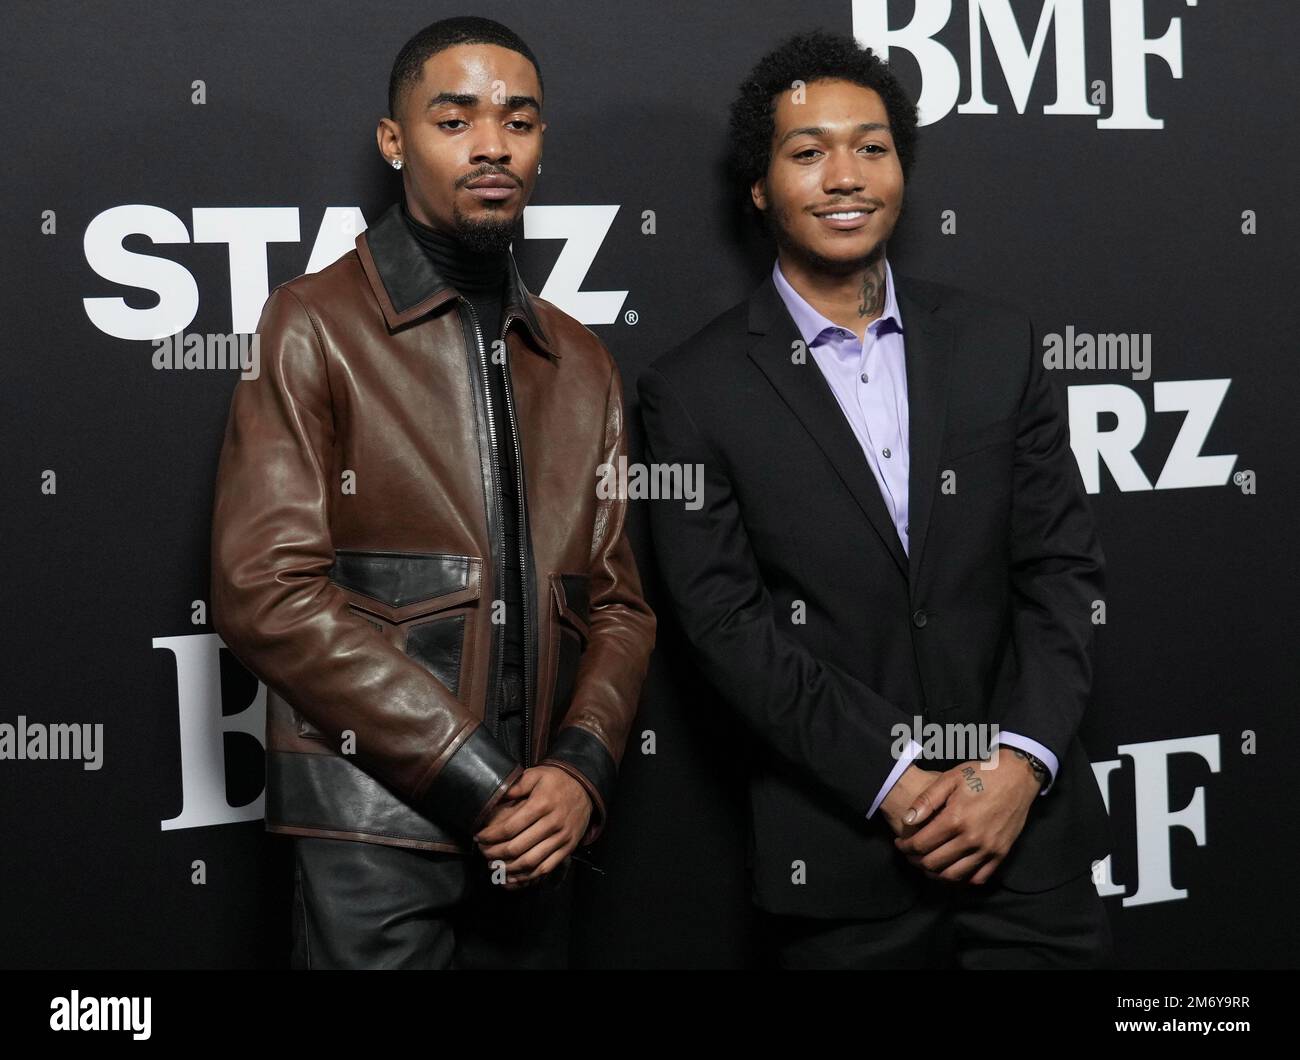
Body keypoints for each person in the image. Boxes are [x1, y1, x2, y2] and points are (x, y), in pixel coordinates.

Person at [638, 29, 1113, 969]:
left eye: (872, 146)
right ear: (761, 188)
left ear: (903, 167)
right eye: (808, 152)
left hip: (1030, 857)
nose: (845, 175)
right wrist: (894, 777)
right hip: (842, 867)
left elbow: (1061, 573)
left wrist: (1017, 765)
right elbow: (725, 625)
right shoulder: (691, 390)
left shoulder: (998, 342)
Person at [210, 16, 654, 969]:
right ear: (394, 140)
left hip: (541, 836)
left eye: (519, 121)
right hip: (374, 827)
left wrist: (579, 771)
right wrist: (474, 778)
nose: (493, 144)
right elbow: (264, 592)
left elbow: (618, 605)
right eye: (455, 120)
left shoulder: (580, 360)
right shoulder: (312, 322)